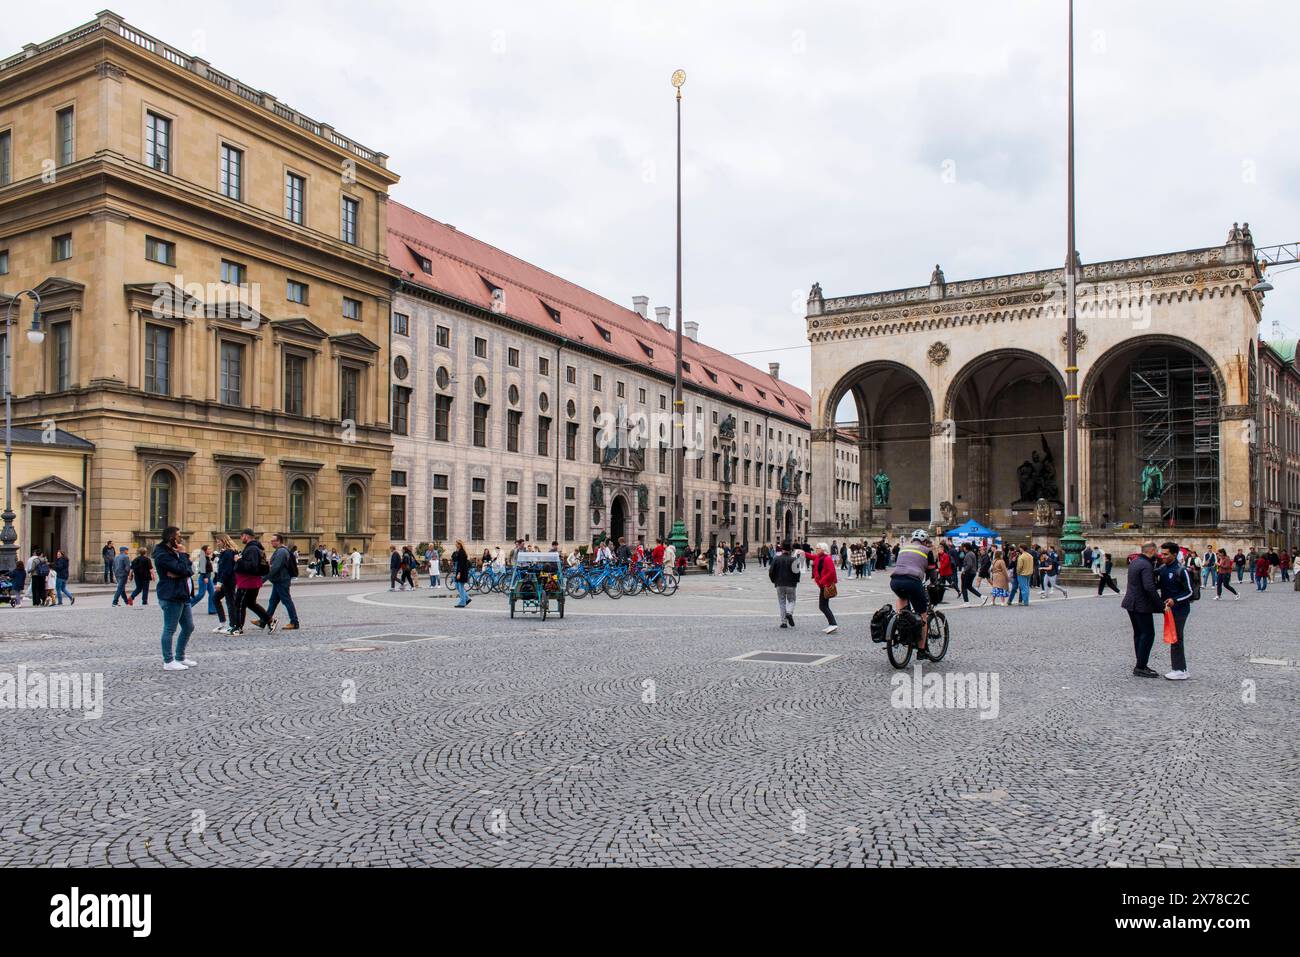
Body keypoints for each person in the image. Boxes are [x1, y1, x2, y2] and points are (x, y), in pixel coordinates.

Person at [153, 526, 197, 671]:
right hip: (171, 594)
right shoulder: (162, 554)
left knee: (189, 626)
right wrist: (183, 559)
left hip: (182, 593)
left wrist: (182, 568)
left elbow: (189, 570)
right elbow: (183, 569)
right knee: (170, 629)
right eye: (178, 535)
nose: (181, 538)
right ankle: (168, 661)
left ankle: (180, 657)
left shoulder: (175, 551)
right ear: (171, 537)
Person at [890, 530, 936, 656]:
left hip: (895, 581)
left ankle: (899, 622)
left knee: (902, 597)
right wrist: (933, 583)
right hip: (912, 581)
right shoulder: (927, 551)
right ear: (925, 541)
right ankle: (921, 650)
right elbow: (932, 573)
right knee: (923, 615)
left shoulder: (903, 548)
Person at [1121, 541, 1161, 678]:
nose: (1157, 553)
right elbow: (1149, 587)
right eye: (1156, 551)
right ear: (1152, 550)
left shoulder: (1135, 562)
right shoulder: (1146, 564)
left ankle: (1141, 663)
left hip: (1130, 603)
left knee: (1139, 634)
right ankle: (1140, 666)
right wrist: (1161, 605)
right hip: (1141, 604)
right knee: (1148, 634)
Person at [1156, 541, 1194, 680]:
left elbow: (1190, 592)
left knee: (1177, 638)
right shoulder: (1162, 568)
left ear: (1175, 554)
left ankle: (1180, 669)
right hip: (1169, 609)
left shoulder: (1181, 570)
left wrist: (1175, 600)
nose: (1163, 556)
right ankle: (1180, 668)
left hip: (1180, 609)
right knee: (1174, 637)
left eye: (1166, 554)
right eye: (1162, 554)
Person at [231, 529, 275, 635]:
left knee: (239, 604)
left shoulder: (252, 549)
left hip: (248, 582)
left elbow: (252, 566)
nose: (241, 539)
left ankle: (238, 627)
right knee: (251, 604)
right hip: (251, 581)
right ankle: (270, 620)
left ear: (246, 536)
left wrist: (239, 560)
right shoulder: (255, 548)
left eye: (242, 536)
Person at [265, 533, 300, 631]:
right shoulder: (279, 551)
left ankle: (294, 622)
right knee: (273, 601)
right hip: (278, 580)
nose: (271, 543)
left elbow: (275, 568)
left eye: (273, 541)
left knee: (286, 600)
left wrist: (262, 579)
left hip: (281, 580)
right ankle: (264, 620)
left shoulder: (281, 552)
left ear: (279, 541)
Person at [767, 542, 800, 628]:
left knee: (782, 603)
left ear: (782, 549)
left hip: (779, 583)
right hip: (791, 584)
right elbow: (797, 573)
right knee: (792, 600)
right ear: (790, 550)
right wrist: (796, 581)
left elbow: (771, 571)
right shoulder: (793, 559)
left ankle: (784, 622)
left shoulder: (776, 559)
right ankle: (789, 613)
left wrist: (774, 581)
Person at [211, 534, 238, 633]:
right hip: (225, 581)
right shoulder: (224, 552)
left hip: (228, 581)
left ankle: (233, 625)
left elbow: (226, 570)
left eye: (218, 541)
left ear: (224, 541)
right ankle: (222, 623)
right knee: (215, 598)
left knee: (230, 603)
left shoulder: (228, 552)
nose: (217, 543)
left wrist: (219, 583)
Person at [812, 542, 839, 635]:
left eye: (818, 548)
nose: (816, 549)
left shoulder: (827, 558)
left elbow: (831, 572)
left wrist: (822, 581)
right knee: (824, 605)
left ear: (823, 549)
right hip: (823, 585)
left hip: (825, 585)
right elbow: (812, 557)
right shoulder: (820, 558)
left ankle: (833, 623)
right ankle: (832, 623)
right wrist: (803, 553)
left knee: (823, 606)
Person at [451, 539, 472, 607]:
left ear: (459, 544)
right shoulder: (459, 551)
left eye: (456, 544)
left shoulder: (462, 552)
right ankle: (467, 598)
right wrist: (456, 552)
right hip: (460, 570)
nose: (455, 545)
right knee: (457, 585)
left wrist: (459, 573)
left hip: (462, 571)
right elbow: (454, 559)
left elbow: (462, 564)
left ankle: (462, 602)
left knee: (460, 586)